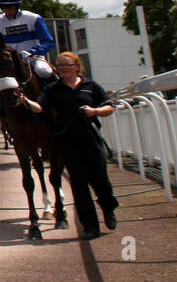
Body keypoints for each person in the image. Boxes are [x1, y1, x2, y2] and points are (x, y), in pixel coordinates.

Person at [21, 52, 118, 239]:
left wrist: (94, 111)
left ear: (76, 66)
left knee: (100, 180)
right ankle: (90, 226)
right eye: (60, 65)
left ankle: (108, 208)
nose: (63, 68)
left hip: (90, 138)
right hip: (68, 140)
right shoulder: (53, 89)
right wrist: (25, 100)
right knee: (79, 183)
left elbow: (109, 107)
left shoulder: (90, 86)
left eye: (67, 64)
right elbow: (40, 107)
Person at [0, 0, 57, 87]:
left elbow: (49, 42)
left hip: (33, 58)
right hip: (11, 61)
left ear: (17, 5)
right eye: (3, 7)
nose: (7, 10)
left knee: (44, 71)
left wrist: (33, 51)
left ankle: (57, 96)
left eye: (10, 7)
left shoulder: (33, 18)